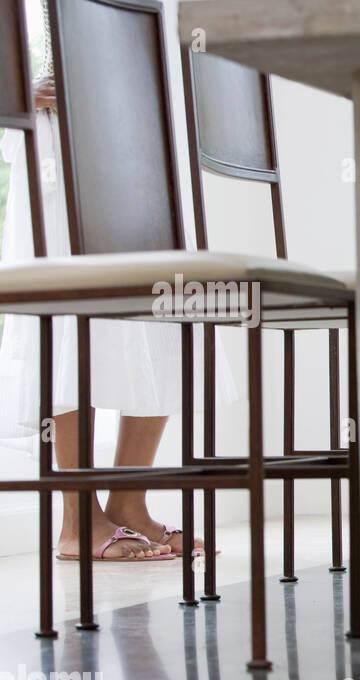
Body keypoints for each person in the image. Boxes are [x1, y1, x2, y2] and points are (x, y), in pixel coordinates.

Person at [0, 11, 236, 560]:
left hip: (141, 132)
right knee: (71, 320)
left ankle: (130, 504)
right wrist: (15, 87)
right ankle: (77, 522)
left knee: (159, 313)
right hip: (60, 135)